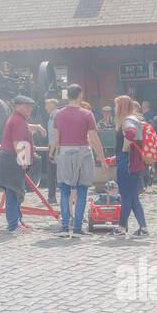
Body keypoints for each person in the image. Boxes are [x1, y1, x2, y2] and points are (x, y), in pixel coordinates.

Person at [50, 84, 106, 237]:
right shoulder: (87, 114)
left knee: (64, 190)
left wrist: (52, 153)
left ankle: (64, 227)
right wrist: (102, 158)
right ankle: (77, 228)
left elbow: (56, 139)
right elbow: (94, 138)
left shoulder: (58, 114)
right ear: (80, 95)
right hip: (83, 153)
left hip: (64, 153)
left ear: (67, 95)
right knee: (82, 190)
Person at [0, 95, 36, 234]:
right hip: (12, 159)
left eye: (30, 106)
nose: (29, 108)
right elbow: (17, 142)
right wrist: (23, 159)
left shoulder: (19, 119)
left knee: (15, 192)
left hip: (10, 158)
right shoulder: (18, 120)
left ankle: (18, 221)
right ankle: (13, 226)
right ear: (17, 106)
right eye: (26, 106)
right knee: (13, 192)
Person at [111, 94, 148, 236]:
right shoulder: (134, 119)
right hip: (132, 161)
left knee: (126, 196)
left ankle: (121, 227)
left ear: (121, 107)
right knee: (132, 197)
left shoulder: (127, 121)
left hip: (126, 162)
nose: (114, 108)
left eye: (116, 105)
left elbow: (130, 134)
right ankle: (143, 227)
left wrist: (124, 149)